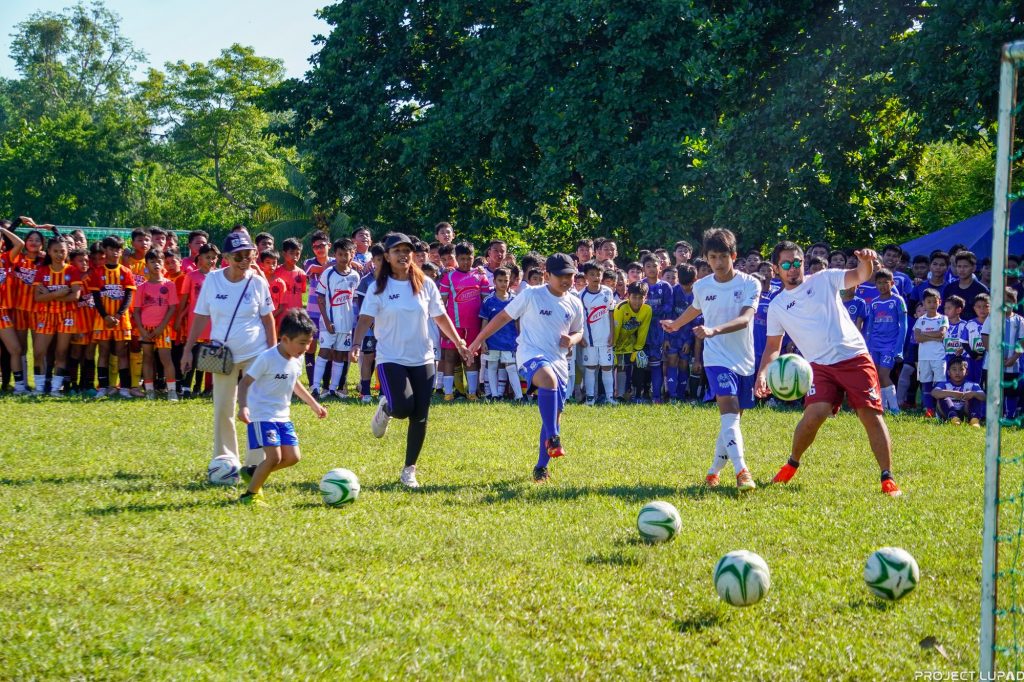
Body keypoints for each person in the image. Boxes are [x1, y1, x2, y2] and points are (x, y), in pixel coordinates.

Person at [754, 241, 903, 497]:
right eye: (786, 264)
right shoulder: (777, 306)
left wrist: (866, 261)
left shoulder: (824, 279)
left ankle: (887, 477)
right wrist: (762, 375)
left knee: (870, 414)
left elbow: (859, 275)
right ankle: (792, 463)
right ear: (777, 269)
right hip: (818, 367)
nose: (793, 269)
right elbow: (772, 346)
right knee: (814, 415)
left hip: (854, 357)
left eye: (797, 262)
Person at [350, 233, 469, 488]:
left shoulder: (425, 284)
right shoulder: (378, 287)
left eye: (407, 250)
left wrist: (459, 343)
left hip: (423, 356)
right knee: (403, 408)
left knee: (420, 415)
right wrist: (357, 343)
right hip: (390, 357)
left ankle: (409, 469)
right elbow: (364, 319)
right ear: (387, 257)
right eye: (397, 251)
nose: (403, 255)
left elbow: (440, 317)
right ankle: (387, 408)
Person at [469, 253, 584, 482]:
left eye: (570, 275)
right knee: (548, 381)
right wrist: (476, 342)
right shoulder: (531, 294)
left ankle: (541, 467)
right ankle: (553, 437)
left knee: (555, 413)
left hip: (559, 360)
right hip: (529, 353)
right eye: (561, 275)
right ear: (547, 275)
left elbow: (579, 331)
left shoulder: (574, 301)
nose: (566, 280)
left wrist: (571, 340)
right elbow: (502, 317)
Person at [662, 228, 759, 491]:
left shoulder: (750, 283)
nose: (718, 262)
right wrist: (675, 324)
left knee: (732, 421)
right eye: (713, 257)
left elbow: (746, 318)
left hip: (744, 359)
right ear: (706, 257)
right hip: (716, 358)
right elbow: (696, 308)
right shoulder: (703, 286)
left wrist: (714, 330)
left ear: (733, 255)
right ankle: (742, 472)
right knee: (728, 412)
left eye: (723, 256)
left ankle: (713, 472)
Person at [181, 232, 277, 470]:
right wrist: (187, 349)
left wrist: (275, 355)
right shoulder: (213, 280)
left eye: (249, 255)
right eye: (239, 256)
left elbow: (268, 320)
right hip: (221, 356)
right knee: (223, 409)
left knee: (255, 409)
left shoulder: (258, 281)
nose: (245, 260)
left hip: (256, 354)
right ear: (226, 257)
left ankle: (255, 463)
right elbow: (201, 316)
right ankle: (225, 461)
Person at [236, 309, 328, 505]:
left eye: (309, 342)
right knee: (274, 457)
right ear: (285, 339)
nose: (307, 347)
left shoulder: (297, 359)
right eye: (302, 343)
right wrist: (243, 407)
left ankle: (254, 473)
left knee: (293, 457)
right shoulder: (267, 358)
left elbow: (295, 384)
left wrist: (314, 404)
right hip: (261, 415)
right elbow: (244, 383)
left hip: (282, 416)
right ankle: (249, 495)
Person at [32, 238, 84, 396]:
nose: (59, 254)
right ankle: (39, 388)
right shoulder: (42, 270)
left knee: (61, 353)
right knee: (38, 352)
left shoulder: (72, 270)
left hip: (66, 316)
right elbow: (37, 298)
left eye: (62, 251)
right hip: (46, 315)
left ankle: (55, 389)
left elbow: (75, 296)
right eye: (55, 251)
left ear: (67, 251)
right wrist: (58, 293)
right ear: (49, 252)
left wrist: (50, 295)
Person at [438, 241, 488, 401]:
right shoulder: (449, 277)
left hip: (474, 326)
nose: (466, 262)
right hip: (454, 326)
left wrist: (484, 328)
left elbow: (486, 303)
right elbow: (441, 304)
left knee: (472, 357)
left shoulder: (481, 276)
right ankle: (448, 393)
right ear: (457, 259)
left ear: (474, 257)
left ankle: (472, 392)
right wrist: (442, 328)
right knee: (450, 357)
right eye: (463, 259)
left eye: (469, 258)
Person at [87, 236, 136, 398]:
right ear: (105, 250)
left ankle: (124, 388)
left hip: (121, 320)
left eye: (118, 250)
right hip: (103, 320)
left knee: (122, 353)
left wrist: (117, 315)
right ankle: (102, 387)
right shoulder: (98, 272)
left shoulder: (126, 272)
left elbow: (128, 296)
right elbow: (96, 297)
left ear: (121, 251)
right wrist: (106, 316)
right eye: (111, 249)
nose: (115, 253)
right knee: (103, 352)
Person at [314, 238, 360, 399]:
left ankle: (334, 388)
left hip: (346, 324)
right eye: (339, 254)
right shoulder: (329, 273)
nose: (343, 258)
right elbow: (320, 298)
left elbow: (353, 300)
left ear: (352, 255)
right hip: (329, 323)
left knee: (341, 355)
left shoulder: (355, 276)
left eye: (346, 254)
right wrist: (327, 321)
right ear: (335, 255)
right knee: (325, 352)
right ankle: (315, 387)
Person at [131, 250, 179, 401]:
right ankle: (150, 391)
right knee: (148, 358)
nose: (156, 264)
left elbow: (172, 308)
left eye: (159, 261)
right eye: (152, 261)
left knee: (166, 359)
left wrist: (161, 327)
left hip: (163, 329)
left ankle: (172, 391)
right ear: (146, 265)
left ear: (163, 263)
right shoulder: (142, 287)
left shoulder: (169, 285)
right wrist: (142, 330)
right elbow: (136, 311)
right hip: (146, 330)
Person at [176, 243, 219, 398]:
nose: (211, 260)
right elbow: (185, 300)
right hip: (195, 322)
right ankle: (186, 386)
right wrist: (179, 317)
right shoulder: (191, 276)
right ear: (199, 258)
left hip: (213, 323)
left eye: (214, 258)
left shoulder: (219, 276)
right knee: (192, 354)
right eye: (208, 257)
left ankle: (199, 387)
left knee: (205, 356)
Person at [864, 269, 908, 414]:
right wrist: (867, 345)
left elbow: (904, 326)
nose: (882, 286)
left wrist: (899, 348)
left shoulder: (898, 300)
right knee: (876, 376)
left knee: (884, 375)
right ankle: (883, 407)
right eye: (879, 283)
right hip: (874, 344)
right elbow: (869, 326)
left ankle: (895, 408)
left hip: (890, 345)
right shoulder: (874, 303)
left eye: (885, 283)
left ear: (892, 283)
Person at [479, 267, 522, 400]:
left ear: (510, 281)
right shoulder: (488, 301)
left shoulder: (514, 300)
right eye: (500, 280)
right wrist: (483, 341)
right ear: (494, 281)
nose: (503, 283)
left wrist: (519, 339)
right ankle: (494, 394)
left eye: (506, 280)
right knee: (491, 366)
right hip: (492, 340)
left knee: (511, 367)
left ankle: (519, 396)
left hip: (509, 340)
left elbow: (517, 322)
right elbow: (485, 322)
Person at [981, 288, 1024, 419]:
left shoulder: (1019, 320)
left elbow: (1022, 341)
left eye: (1009, 300)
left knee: (1011, 391)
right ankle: (993, 416)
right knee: (993, 390)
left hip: (1012, 364)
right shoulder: (992, 318)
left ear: (1015, 303)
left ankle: (1009, 416)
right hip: (991, 364)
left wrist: (1014, 357)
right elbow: (985, 336)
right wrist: (995, 356)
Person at [578, 262, 616, 405]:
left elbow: (611, 314)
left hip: (606, 338)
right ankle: (590, 398)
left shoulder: (608, 291)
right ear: (586, 276)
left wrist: (612, 334)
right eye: (592, 274)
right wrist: (581, 336)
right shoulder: (581, 295)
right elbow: (579, 318)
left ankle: (610, 397)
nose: (596, 277)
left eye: (598, 274)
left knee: (607, 367)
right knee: (590, 368)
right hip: (589, 339)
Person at [613, 281, 652, 400]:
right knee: (617, 365)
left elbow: (643, 330)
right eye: (634, 297)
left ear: (646, 298)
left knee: (638, 363)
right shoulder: (620, 308)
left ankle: (635, 394)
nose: (637, 301)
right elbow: (615, 328)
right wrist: (613, 348)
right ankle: (614, 394)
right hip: (615, 340)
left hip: (630, 340)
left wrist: (638, 348)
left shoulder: (647, 310)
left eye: (641, 298)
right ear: (628, 296)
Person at [913, 289, 948, 419]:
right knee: (926, 384)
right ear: (924, 304)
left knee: (940, 384)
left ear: (940, 302)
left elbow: (942, 334)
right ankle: (929, 410)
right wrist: (935, 336)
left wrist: (925, 334)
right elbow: (917, 338)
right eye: (929, 302)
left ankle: (940, 411)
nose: (932, 304)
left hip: (939, 357)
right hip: (923, 358)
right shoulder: (920, 320)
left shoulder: (943, 318)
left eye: (935, 301)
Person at [642, 255, 673, 403]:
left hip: (660, 331)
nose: (652, 269)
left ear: (660, 267)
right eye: (648, 266)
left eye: (654, 266)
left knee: (656, 364)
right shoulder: (641, 286)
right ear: (644, 269)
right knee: (641, 364)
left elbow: (668, 308)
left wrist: (651, 311)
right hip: (642, 331)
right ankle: (640, 394)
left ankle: (656, 396)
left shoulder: (665, 286)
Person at [930, 356, 984, 427]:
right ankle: (954, 420)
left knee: (975, 397)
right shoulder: (944, 384)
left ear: (966, 372)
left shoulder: (972, 385)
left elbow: (984, 397)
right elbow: (934, 393)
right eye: (954, 369)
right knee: (943, 397)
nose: (957, 373)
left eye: (961, 369)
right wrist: (954, 394)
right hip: (947, 413)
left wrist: (973, 394)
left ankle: (974, 421)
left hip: (965, 411)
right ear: (948, 372)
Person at [943, 250, 988, 320]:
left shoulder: (981, 289)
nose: (961, 270)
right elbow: (942, 310)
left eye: (965, 266)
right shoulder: (949, 288)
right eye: (959, 266)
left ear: (974, 268)